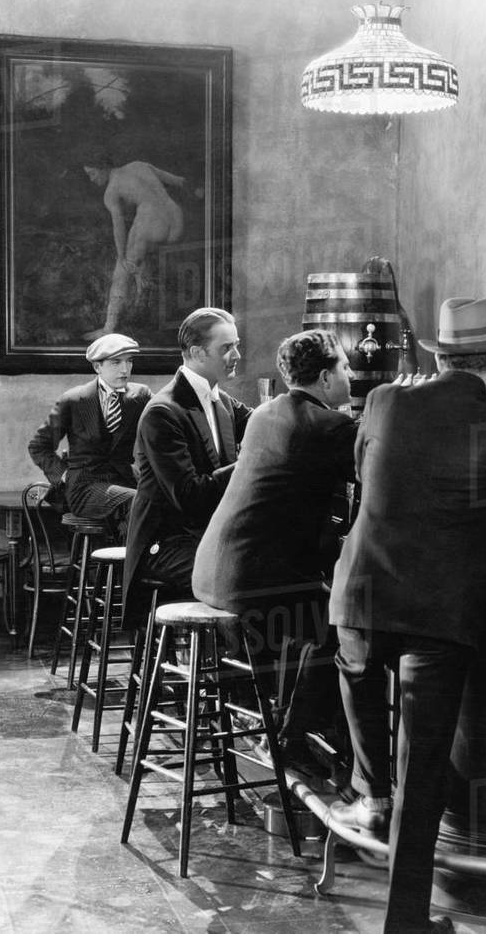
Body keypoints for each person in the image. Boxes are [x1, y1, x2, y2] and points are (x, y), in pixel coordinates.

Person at [328, 297, 486, 934]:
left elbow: (363, 464)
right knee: (426, 769)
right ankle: (404, 921)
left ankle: (366, 790)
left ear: (438, 356)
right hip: (435, 613)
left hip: (358, 600)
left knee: (357, 683)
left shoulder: (385, 400)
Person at [193, 329, 357, 773]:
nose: (351, 375)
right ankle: (294, 736)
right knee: (345, 618)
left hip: (212, 570)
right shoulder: (331, 425)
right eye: (344, 367)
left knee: (321, 610)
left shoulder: (265, 412)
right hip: (251, 581)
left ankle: (303, 724)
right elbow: (378, 472)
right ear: (325, 378)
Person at [123, 307, 251, 621]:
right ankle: (232, 667)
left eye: (236, 345)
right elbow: (190, 496)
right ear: (196, 352)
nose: (236, 354)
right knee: (251, 578)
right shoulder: (163, 412)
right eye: (227, 348)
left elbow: (267, 425)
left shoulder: (222, 402)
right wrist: (251, 463)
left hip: (206, 537)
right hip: (166, 545)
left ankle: (250, 666)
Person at [27, 333, 151, 539]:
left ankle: (128, 565)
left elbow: (162, 427)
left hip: (125, 481)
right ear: (97, 367)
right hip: (84, 487)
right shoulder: (74, 399)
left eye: (129, 362)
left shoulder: (140, 396)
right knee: (137, 502)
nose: (125, 369)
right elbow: (38, 446)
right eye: (115, 363)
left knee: (162, 502)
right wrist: (63, 475)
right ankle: (128, 567)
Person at [83, 158, 189, 340]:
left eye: (92, 173)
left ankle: (108, 328)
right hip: (176, 218)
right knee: (142, 258)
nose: (92, 179)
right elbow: (179, 181)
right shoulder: (139, 165)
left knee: (121, 272)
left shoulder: (111, 191)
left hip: (152, 222)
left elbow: (118, 226)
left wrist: (121, 256)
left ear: (103, 167)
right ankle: (144, 288)